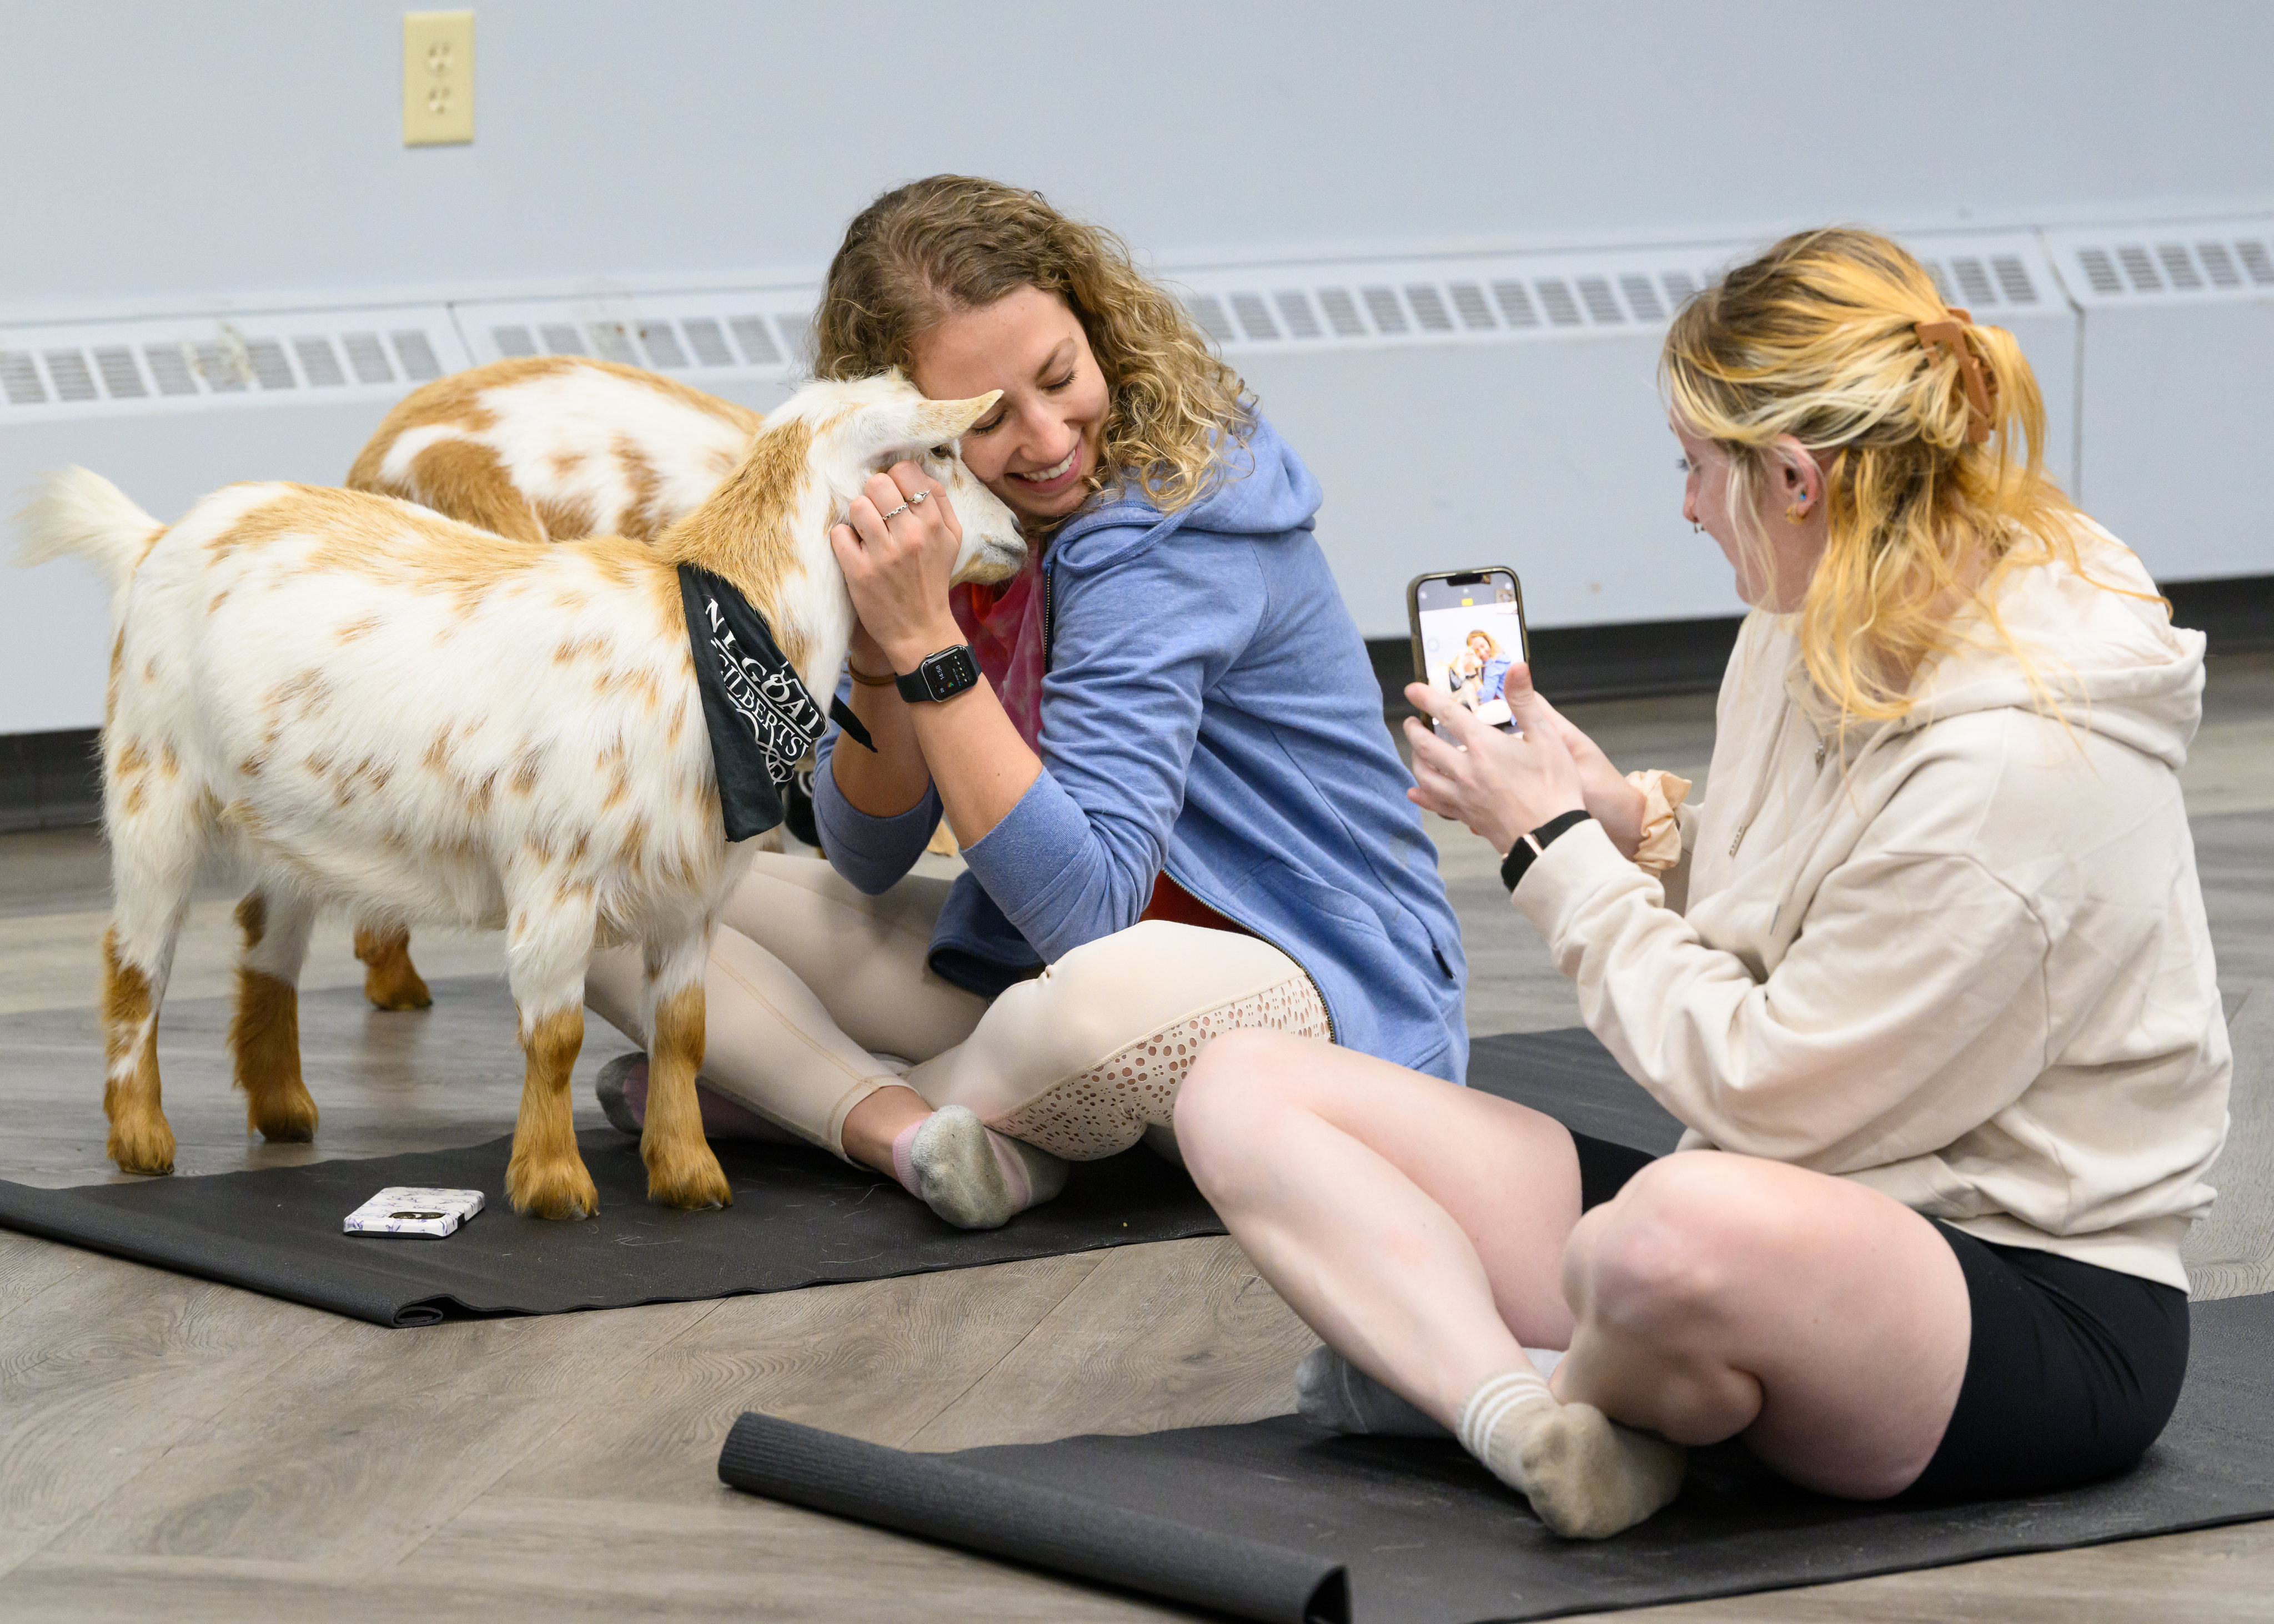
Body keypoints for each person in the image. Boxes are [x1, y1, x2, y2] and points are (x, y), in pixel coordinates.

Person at [1172, 228, 2230, 1539]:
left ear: (1790, 477)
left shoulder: (2019, 764)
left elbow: (1764, 1093)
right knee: (1237, 1083)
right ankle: (1523, 1416)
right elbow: (1828, 895)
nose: (1682, 504)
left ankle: (1464, 1373)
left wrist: (1548, 850)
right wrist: (1627, 821)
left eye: (1693, 465)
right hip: (1774, 1195)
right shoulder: (1816, 606)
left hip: (2020, 1290)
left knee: (1662, 1233)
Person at [586, 175, 1467, 1229]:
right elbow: (866, 858)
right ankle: (904, 1129)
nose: (1048, 441)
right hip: (1035, 963)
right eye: (991, 417)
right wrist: (882, 660)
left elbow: (1092, 915)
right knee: (610, 888)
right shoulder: (944, 519)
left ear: (1100, 330)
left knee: (1089, 1014)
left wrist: (928, 643)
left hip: (1315, 989)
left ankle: (803, 1097)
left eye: (1061, 377)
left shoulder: (1172, 530)